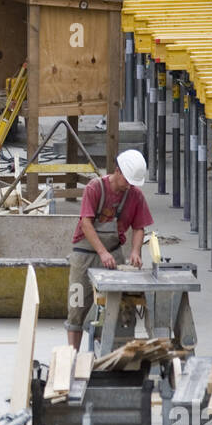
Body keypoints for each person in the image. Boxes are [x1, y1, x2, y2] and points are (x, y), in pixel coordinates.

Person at [65, 149, 153, 350]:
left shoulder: (135, 195)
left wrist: (135, 251)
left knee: (117, 307)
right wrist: (102, 252)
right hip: (84, 255)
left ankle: (109, 353)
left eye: (133, 183)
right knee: (76, 307)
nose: (130, 186)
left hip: (114, 253)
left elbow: (139, 227)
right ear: (117, 171)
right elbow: (86, 224)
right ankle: (72, 357)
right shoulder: (94, 188)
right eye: (127, 181)